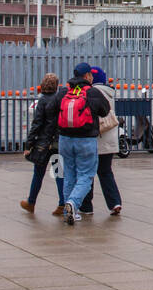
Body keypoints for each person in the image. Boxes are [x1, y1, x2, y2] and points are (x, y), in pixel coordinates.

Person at [39, 62, 110, 225]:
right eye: (90, 75)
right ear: (87, 76)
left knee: (69, 174)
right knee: (86, 175)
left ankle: (68, 209)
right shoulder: (92, 92)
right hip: (86, 140)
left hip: (65, 139)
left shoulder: (64, 91)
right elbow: (105, 111)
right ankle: (73, 203)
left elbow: (50, 109)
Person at [21, 73, 66, 216]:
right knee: (59, 173)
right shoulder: (60, 100)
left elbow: (37, 124)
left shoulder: (42, 101)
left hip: (43, 143)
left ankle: (31, 202)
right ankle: (62, 203)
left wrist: (28, 145)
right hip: (57, 142)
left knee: (38, 174)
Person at [81, 67, 123, 216]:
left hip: (94, 137)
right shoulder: (110, 92)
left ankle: (86, 206)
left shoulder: (90, 92)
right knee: (106, 172)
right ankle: (114, 202)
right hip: (110, 139)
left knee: (88, 173)